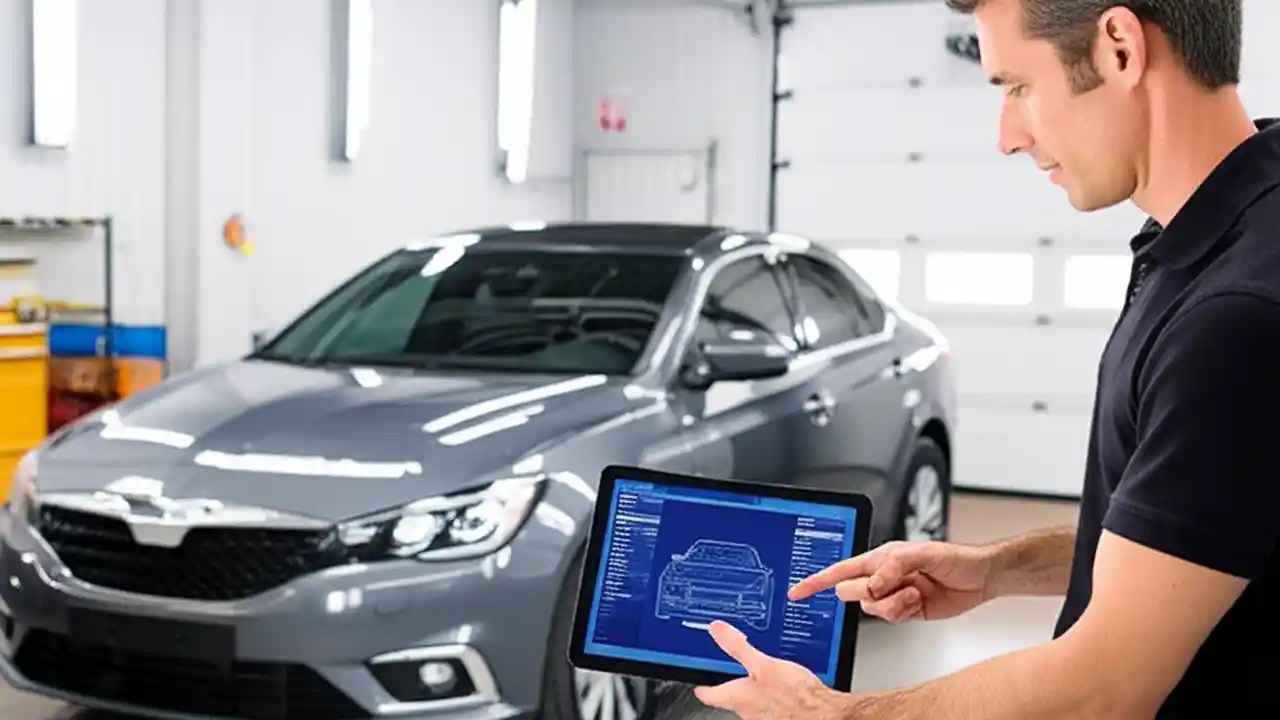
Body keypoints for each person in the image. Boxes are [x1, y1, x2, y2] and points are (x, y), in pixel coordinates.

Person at [690, 0, 1280, 717]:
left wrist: (831, 712)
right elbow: (1195, 537)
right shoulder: (1237, 222)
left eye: (1018, 87)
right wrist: (997, 570)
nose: (1008, 137)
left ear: (1120, 48)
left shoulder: (1235, 317)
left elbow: (1102, 688)